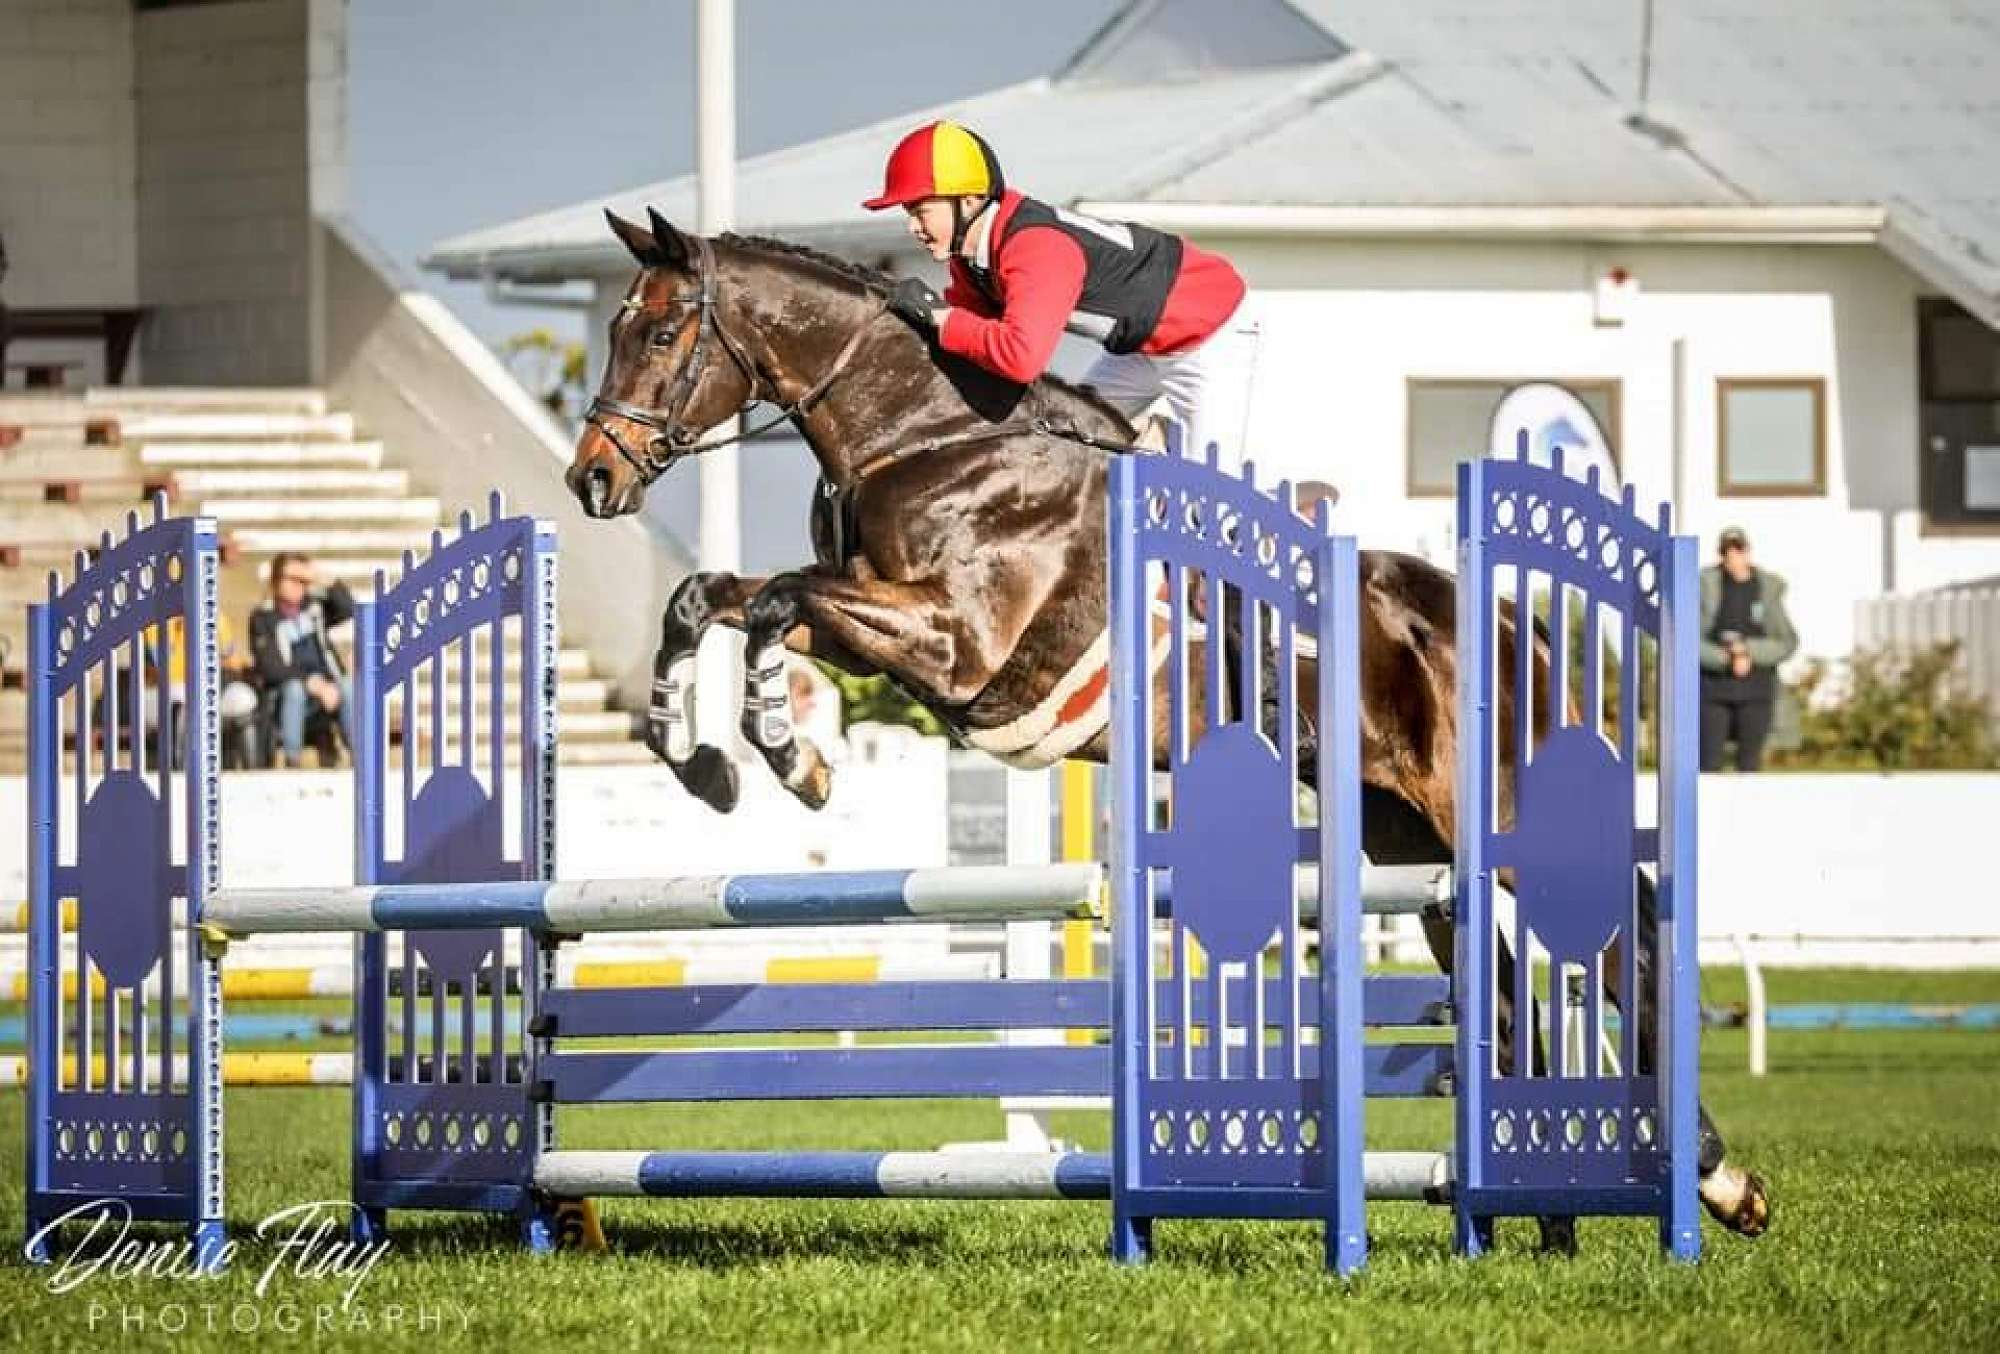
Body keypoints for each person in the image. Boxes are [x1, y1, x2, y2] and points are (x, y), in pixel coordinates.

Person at [863, 120, 1259, 467]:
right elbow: (971, 344)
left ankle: (1165, 446)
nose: (914, 227)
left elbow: (1020, 357)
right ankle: (1154, 444)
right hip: (1141, 346)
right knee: (1067, 438)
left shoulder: (1035, 247)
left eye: (920, 211)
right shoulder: (970, 255)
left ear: (968, 201)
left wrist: (941, 318)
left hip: (1209, 334)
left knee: (1215, 500)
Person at [1699, 527, 1798, 772]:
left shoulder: (1767, 590)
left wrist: (1749, 652)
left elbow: (1786, 642)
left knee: (1749, 764)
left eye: (1738, 551)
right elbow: (1690, 640)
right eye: (1727, 552)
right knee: (1709, 763)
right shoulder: (1706, 587)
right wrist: (1726, 658)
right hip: (1714, 689)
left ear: (1747, 552)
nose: (1733, 558)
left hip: (1756, 689)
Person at [249, 552, 355, 768]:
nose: (300, 585)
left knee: (348, 686)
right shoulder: (263, 617)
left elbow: (348, 609)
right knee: (294, 690)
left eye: (304, 580)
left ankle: (361, 759)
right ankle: (292, 761)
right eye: (293, 579)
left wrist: (327, 580)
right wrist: (311, 683)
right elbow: (270, 668)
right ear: (276, 580)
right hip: (288, 692)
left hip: (327, 688)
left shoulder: (315, 607)